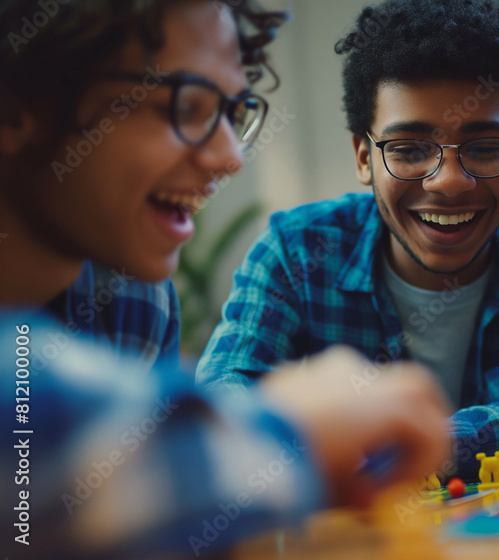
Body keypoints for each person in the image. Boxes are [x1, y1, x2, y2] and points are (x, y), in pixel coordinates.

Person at [0, 1, 450, 557]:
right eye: (186, 106)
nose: (230, 157)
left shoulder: (138, 298)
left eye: (234, 112)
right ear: (16, 109)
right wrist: (292, 430)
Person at [196, 0, 499, 478]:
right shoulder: (296, 251)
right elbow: (223, 404)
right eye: (409, 149)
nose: (449, 182)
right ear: (362, 157)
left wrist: (362, 439)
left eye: (483, 148)